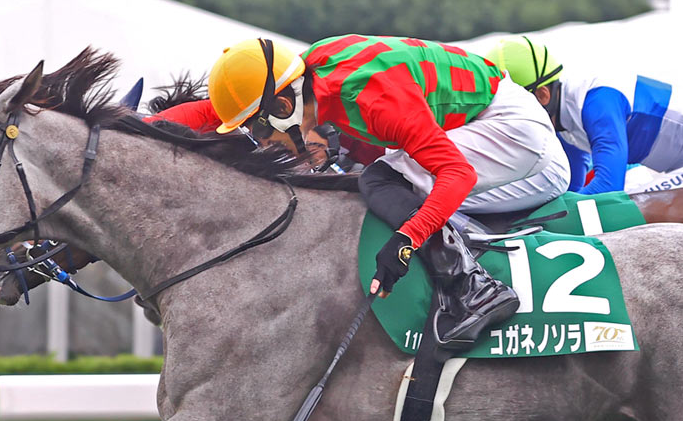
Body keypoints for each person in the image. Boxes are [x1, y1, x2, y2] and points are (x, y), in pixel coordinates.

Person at [201, 36, 570, 350]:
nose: (264, 144)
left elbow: (457, 174)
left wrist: (406, 239)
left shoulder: (370, 95)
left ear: (283, 106)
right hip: (486, 112)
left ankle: (475, 287)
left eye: (259, 131)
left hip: (512, 126)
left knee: (382, 181)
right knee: (377, 180)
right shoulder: (317, 74)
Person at [486, 37, 683, 195]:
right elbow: (569, 189)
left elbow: (608, 187)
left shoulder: (597, 102)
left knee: (628, 203)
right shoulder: (562, 119)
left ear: (543, 95)